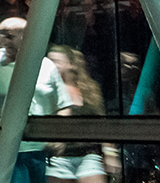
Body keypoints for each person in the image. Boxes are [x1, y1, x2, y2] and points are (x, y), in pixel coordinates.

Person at [0, 17, 75, 183]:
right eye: (1, 35)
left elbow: (63, 105)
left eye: (10, 35)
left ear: (26, 36)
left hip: (40, 149)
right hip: (3, 151)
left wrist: (58, 137)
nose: (4, 40)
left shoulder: (46, 66)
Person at [45, 45, 117, 183]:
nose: (52, 65)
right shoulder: (46, 90)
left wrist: (110, 153)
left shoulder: (90, 90)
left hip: (88, 154)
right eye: (50, 61)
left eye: (56, 61)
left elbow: (102, 124)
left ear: (70, 64)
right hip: (59, 157)